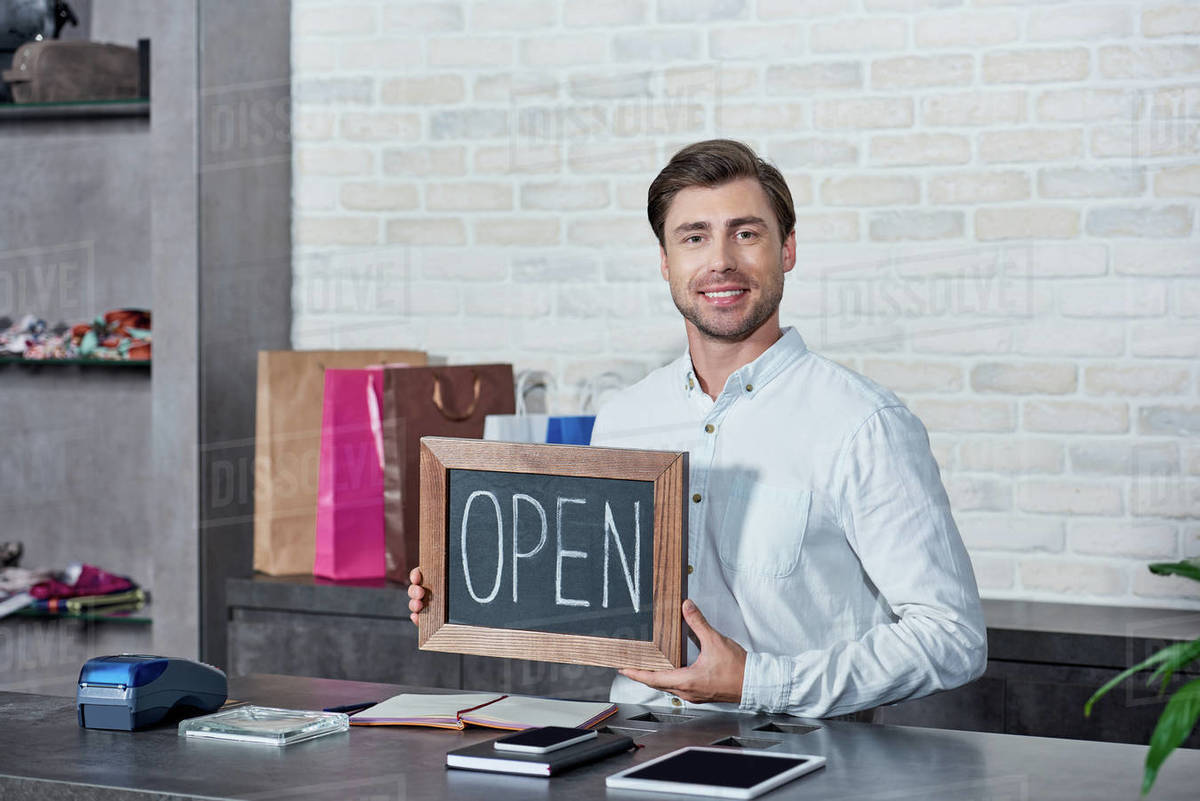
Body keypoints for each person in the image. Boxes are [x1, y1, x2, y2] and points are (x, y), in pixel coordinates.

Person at [410, 139, 987, 719]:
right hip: (635, 749)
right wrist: (460, 592)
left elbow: (952, 638)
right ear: (666, 261)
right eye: (694, 237)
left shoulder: (863, 425)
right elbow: (592, 600)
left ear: (786, 249)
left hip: (806, 762)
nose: (720, 262)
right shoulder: (624, 418)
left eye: (746, 233)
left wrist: (760, 683)